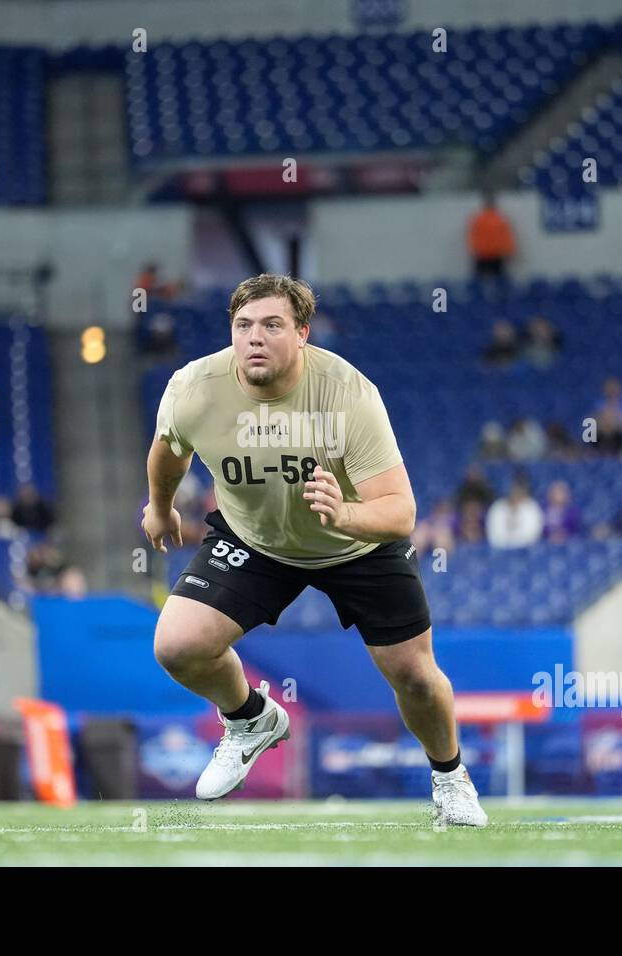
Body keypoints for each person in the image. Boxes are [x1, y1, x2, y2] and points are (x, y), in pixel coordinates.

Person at [142, 272, 487, 825]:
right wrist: (160, 507)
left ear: (302, 333)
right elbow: (168, 450)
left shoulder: (349, 394)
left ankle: (450, 779)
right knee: (178, 646)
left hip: (357, 544)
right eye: (243, 325)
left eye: (272, 325)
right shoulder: (195, 387)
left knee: (416, 676)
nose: (255, 337)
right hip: (256, 538)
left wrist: (346, 514)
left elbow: (401, 513)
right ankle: (250, 718)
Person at [485, 476, 543, 549]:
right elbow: (493, 534)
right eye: (513, 490)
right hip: (501, 551)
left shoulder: (531, 507)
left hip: (526, 551)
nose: (516, 493)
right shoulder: (497, 507)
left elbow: (533, 535)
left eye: (518, 490)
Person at [467, 194, 516, 280]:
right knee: (498, 279)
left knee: (480, 279)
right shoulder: (500, 220)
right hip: (496, 255)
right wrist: (508, 250)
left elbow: (473, 236)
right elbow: (506, 237)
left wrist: (475, 250)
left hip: (481, 255)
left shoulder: (478, 220)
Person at [593, 377, 622, 456]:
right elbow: (596, 420)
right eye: (609, 389)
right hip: (604, 434)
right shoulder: (601, 404)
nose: (611, 391)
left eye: (614, 388)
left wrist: (615, 419)